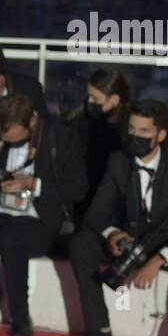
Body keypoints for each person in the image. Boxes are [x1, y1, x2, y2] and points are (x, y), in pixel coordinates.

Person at [61, 99, 168, 336]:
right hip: (130, 242)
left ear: (161, 135)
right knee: (81, 242)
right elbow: (95, 215)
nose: (136, 137)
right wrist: (112, 234)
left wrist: (159, 260)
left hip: (166, 245)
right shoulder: (118, 161)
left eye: (144, 131)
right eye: (132, 129)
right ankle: (98, 330)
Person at [0, 93, 86, 336]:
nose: (3, 138)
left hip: (39, 216)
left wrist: (34, 183)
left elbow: (79, 188)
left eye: (10, 134)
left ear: (31, 123)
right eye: (1, 132)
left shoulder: (60, 136)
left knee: (12, 238)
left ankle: (20, 316)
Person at [67, 67, 131, 225]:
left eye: (95, 99)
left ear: (114, 100)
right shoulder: (82, 121)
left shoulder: (131, 127)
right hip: (85, 200)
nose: (89, 102)